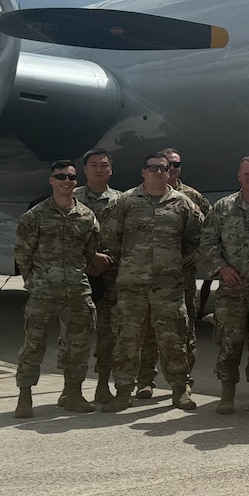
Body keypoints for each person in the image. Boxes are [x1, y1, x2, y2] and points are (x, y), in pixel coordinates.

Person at [101, 153, 203, 413]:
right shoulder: (124, 202)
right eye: (153, 168)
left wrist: (184, 259)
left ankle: (179, 390)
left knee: (174, 340)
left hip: (169, 287)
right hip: (131, 286)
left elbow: (198, 236)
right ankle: (124, 391)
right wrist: (125, 265)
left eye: (163, 168)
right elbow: (110, 239)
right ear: (143, 172)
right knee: (127, 340)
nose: (159, 172)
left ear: (169, 172)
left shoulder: (183, 203)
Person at [11, 160, 100, 418]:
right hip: (44, 291)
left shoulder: (86, 216)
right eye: (61, 176)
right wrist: (34, 281)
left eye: (71, 177)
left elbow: (89, 252)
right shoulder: (35, 216)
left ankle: (74, 394)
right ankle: (25, 396)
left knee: (78, 345)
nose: (66, 181)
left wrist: (75, 275)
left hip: (76, 291)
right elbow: (22, 254)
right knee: (34, 344)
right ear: (51, 180)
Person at [135, 147, 209, 397]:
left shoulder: (191, 196)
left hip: (182, 278)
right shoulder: (139, 197)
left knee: (183, 330)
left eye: (176, 165)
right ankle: (145, 379)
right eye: (167, 165)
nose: (171, 169)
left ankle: (184, 380)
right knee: (147, 330)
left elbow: (211, 227)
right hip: (148, 277)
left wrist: (198, 252)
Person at [201, 155, 249, 415]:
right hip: (231, 291)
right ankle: (227, 394)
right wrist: (222, 267)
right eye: (247, 173)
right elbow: (208, 241)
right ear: (239, 176)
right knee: (229, 344)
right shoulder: (223, 207)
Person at [75, 148, 121, 404]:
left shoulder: (121, 201)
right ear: (85, 169)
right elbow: (61, 237)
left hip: (111, 278)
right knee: (74, 335)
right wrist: (90, 258)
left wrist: (106, 261)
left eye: (104, 165)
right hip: (78, 277)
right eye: (94, 165)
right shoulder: (71, 198)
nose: (99, 169)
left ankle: (103, 385)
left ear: (111, 170)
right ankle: (71, 388)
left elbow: (128, 236)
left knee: (108, 335)